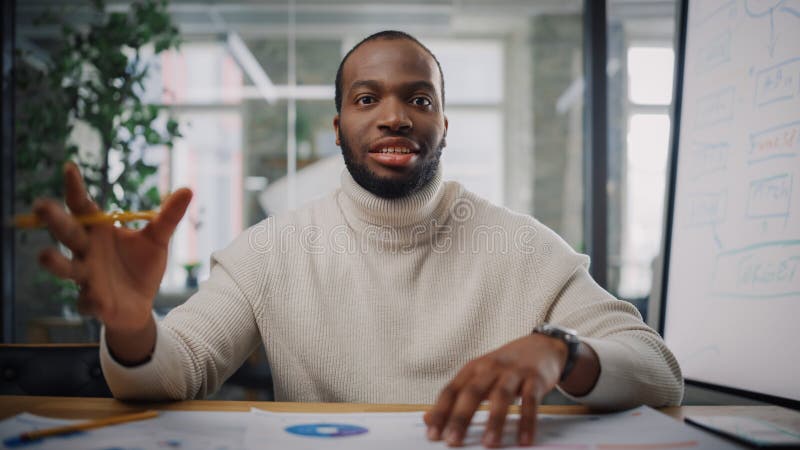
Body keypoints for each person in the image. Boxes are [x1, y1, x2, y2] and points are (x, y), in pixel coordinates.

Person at [33, 30, 683, 448]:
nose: (395, 116)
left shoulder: (524, 247)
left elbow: (658, 373)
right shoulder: (271, 250)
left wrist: (560, 350)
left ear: (445, 126)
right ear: (337, 126)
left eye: (418, 100)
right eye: (367, 98)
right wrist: (132, 325)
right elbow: (182, 367)